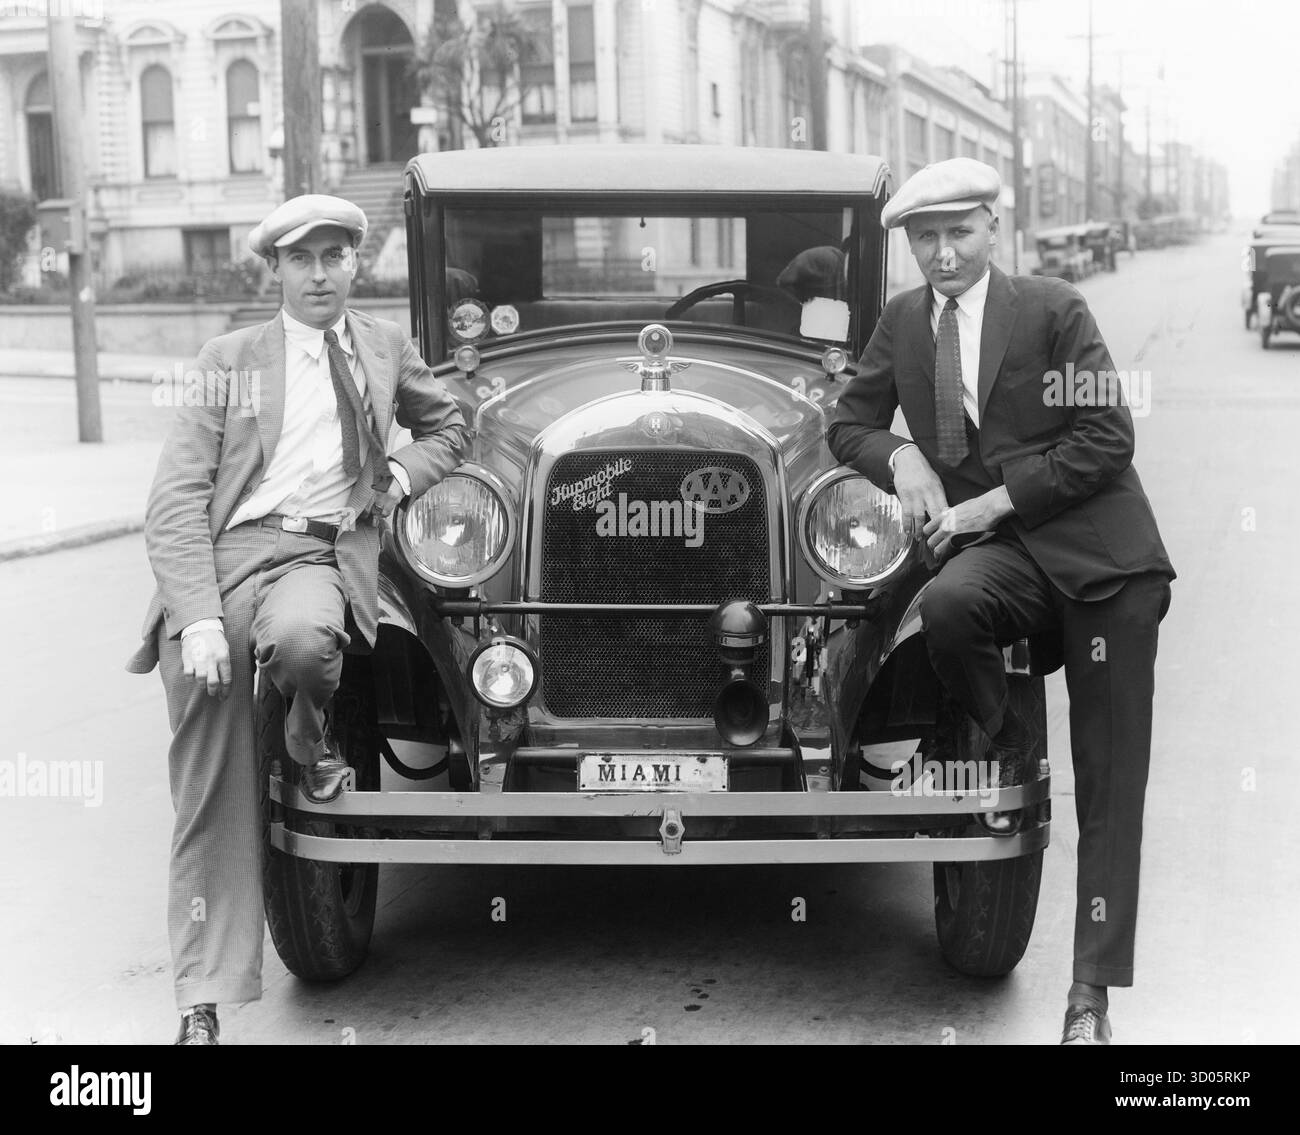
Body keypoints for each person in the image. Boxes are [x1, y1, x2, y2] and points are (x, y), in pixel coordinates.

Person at [826, 158, 1175, 1046]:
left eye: (957, 233)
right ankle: (1006, 737)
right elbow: (847, 421)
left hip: (1101, 559)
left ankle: (1090, 994)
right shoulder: (902, 322)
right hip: (1004, 562)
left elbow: (1106, 436)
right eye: (924, 239)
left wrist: (996, 500)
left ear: (991, 228)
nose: (941, 253)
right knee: (946, 609)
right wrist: (898, 458)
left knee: (1110, 780)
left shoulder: (1054, 310)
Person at [126, 194, 469, 1044]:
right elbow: (174, 500)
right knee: (212, 785)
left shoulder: (384, 346)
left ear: (356, 263)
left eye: (335, 256)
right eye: (302, 259)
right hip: (224, 560)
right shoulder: (229, 357)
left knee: (312, 648)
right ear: (274, 269)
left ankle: (309, 747)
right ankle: (200, 1001)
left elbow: (453, 423)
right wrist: (197, 614)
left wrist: (395, 474)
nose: (320, 273)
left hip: (318, 557)